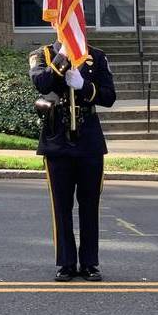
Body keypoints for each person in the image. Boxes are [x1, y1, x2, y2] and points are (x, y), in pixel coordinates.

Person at [29, 40, 116, 281]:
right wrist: (62, 59)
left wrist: (84, 87)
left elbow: (109, 96)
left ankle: (90, 263)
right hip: (57, 138)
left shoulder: (96, 56)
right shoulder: (42, 55)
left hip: (89, 139)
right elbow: (41, 83)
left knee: (90, 205)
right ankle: (65, 262)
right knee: (61, 206)